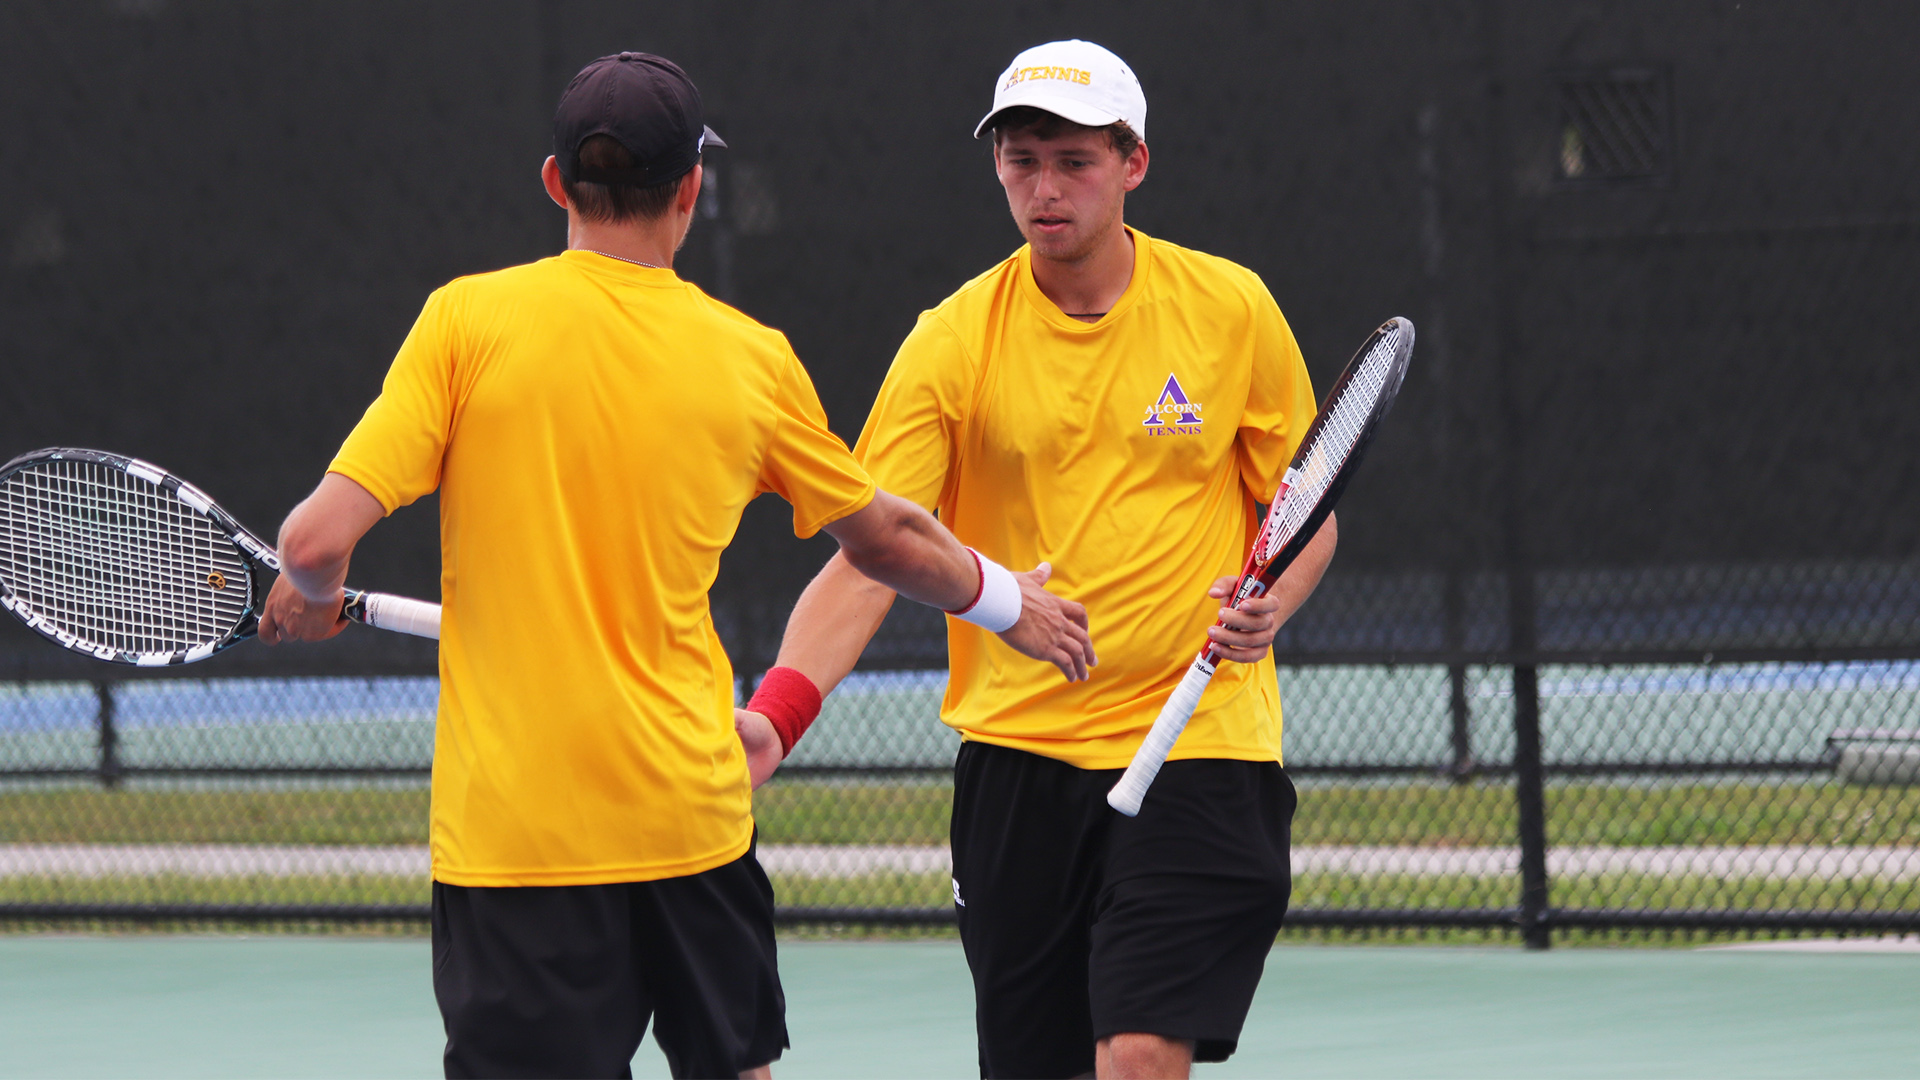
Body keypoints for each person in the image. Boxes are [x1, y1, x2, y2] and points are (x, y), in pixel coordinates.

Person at [256, 52, 1094, 1080]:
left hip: (516, 844)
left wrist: (307, 598)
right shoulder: (751, 358)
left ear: (557, 185)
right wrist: (1011, 603)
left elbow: (310, 543)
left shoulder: (463, 324)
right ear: (691, 190)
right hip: (690, 825)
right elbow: (888, 539)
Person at [738, 40, 1337, 1080]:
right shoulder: (953, 340)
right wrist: (778, 715)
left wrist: (1271, 601)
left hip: (1199, 748)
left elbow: (1304, 513)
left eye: (1073, 161)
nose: (1043, 189)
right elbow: (873, 550)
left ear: (1133, 163)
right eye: (1021, 161)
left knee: (1143, 1049)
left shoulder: (1230, 309)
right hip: (1017, 769)